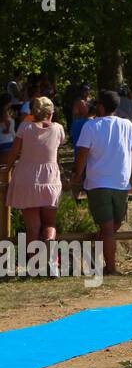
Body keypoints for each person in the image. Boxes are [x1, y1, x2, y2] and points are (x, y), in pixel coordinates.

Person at [72, 90, 132, 276]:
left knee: (108, 228)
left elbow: (83, 154)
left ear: (100, 106)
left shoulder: (90, 126)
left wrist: (77, 176)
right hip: (121, 181)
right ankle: (107, 263)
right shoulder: (128, 125)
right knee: (112, 226)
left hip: (98, 182)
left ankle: (109, 266)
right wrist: (131, 175)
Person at [1, 96, 65, 268]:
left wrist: (6, 170)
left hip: (26, 179)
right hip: (50, 179)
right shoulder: (58, 128)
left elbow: (14, 152)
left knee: (33, 228)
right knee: (50, 223)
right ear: (51, 112)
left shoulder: (25, 127)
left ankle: (32, 264)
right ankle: (52, 260)